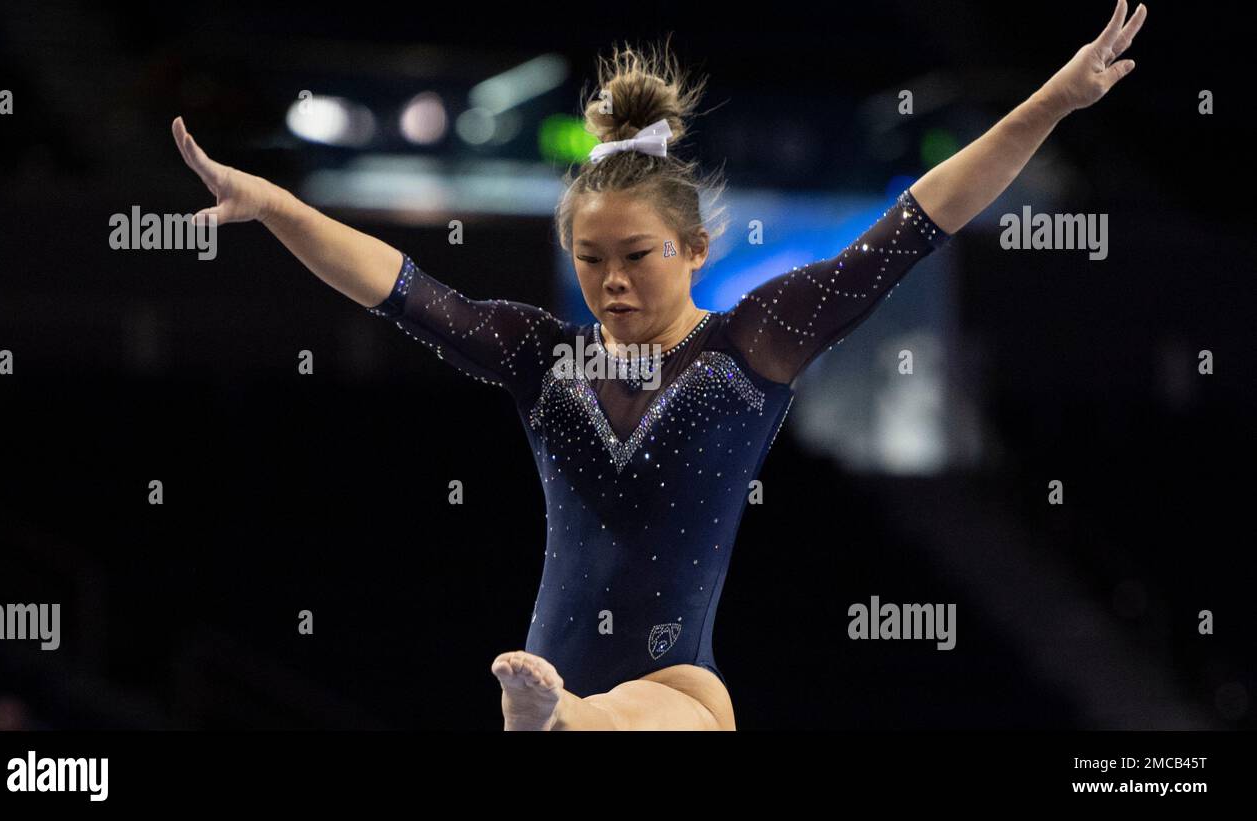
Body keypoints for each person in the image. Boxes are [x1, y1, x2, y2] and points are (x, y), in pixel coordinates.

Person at [171, 2, 1145, 730]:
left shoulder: (752, 342)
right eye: (590, 261)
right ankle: (557, 716)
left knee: (647, 717)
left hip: (677, 695)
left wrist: (1053, 99)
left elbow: (920, 219)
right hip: (545, 666)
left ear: (693, 249)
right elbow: (398, 286)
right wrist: (277, 207)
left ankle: (563, 719)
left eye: (635, 256)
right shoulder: (539, 357)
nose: (611, 282)